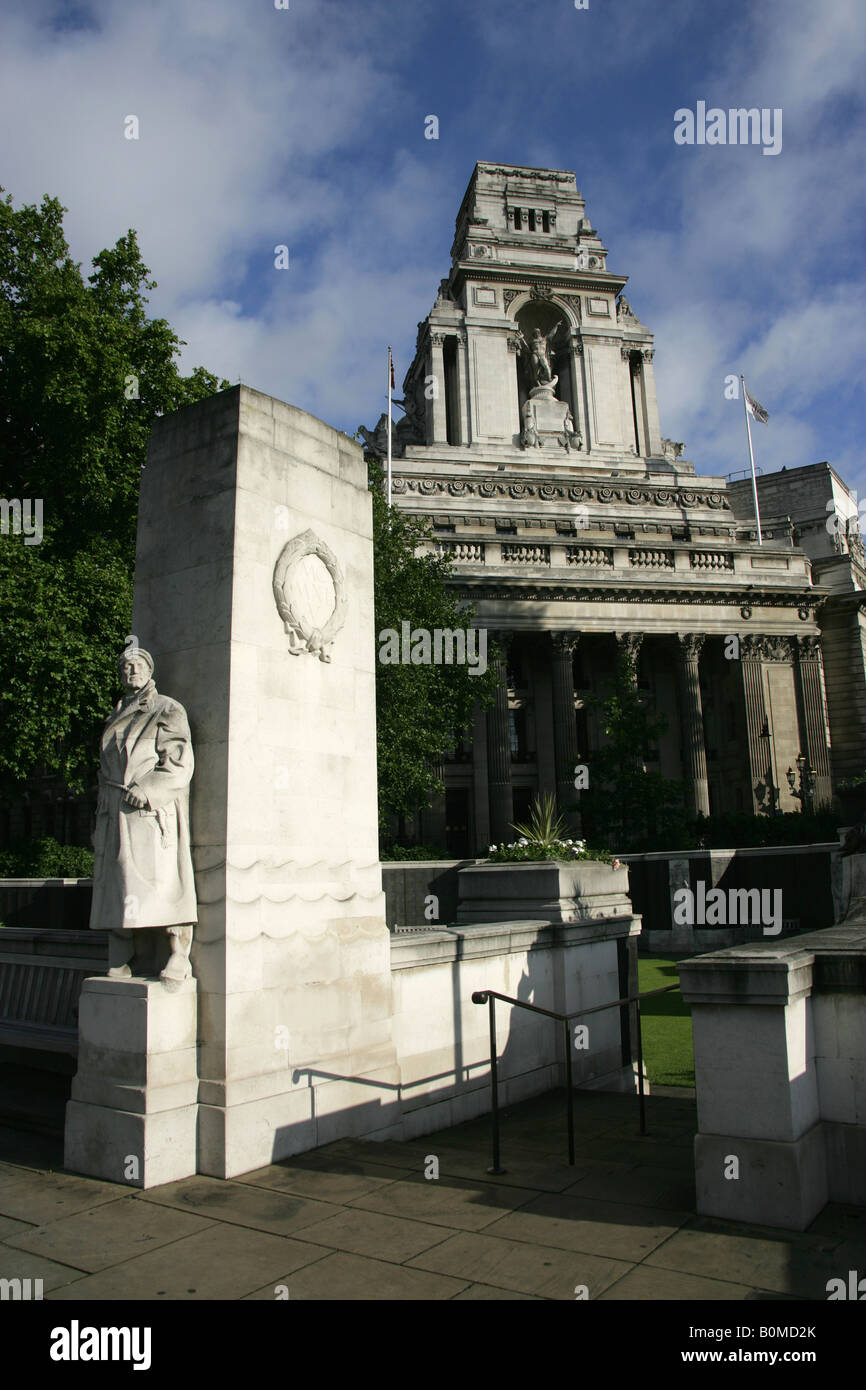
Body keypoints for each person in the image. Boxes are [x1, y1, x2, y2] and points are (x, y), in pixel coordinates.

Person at [90, 646, 197, 983]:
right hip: (115, 810)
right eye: (125, 666)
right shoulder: (116, 713)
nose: (131, 671)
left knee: (165, 882)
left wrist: (148, 789)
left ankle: (179, 953)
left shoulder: (166, 708)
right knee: (118, 886)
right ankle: (122, 955)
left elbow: (179, 762)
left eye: (137, 665)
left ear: (150, 670)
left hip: (149, 810)